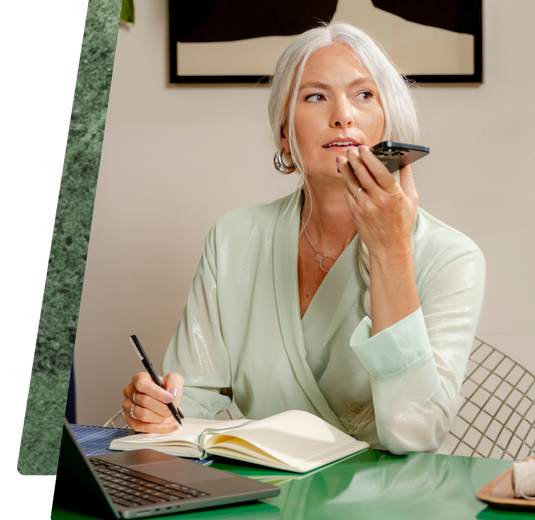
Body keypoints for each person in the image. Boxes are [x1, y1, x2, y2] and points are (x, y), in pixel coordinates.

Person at [122, 22, 485, 454]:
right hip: (261, 501)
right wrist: (160, 408)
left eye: (363, 94)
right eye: (316, 96)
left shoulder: (451, 258)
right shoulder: (232, 240)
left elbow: (416, 433)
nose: (342, 115)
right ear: (284, 135)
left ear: (388, 119)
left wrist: (391, 250)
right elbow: (191, 399)